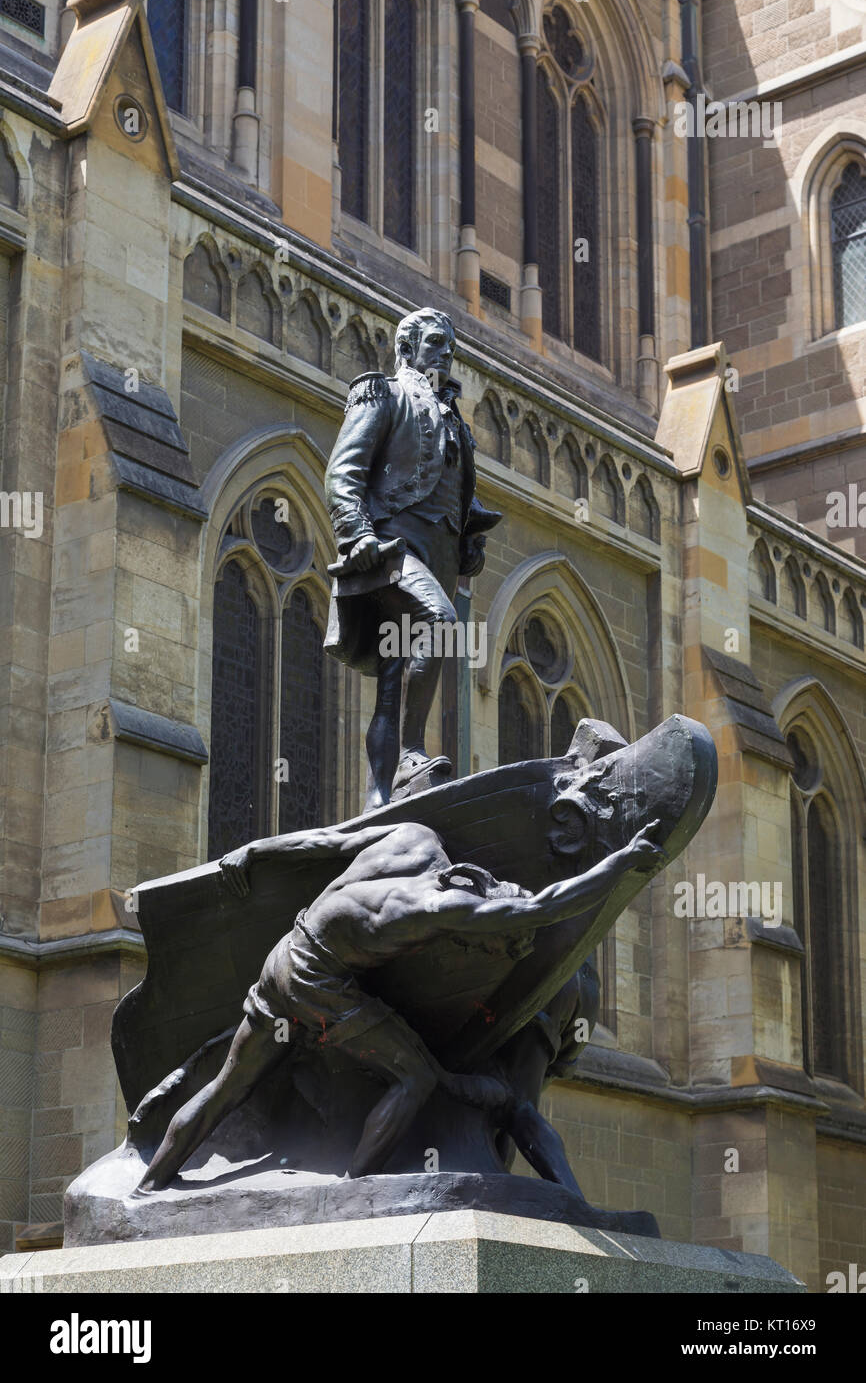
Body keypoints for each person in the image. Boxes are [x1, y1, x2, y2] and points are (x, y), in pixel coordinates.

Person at [136, 818, 664, 1193]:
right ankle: (351, 1191)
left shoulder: (416, 838)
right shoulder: (442, 908)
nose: (486, 951)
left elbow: (328, 840)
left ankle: (150, 1184)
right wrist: (622, 862)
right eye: (496, 944)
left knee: (228, 1085)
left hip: (285, 955)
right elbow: (545, 906)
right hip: (317, 981)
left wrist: (257, 850)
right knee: (416, 1077)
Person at [324, 307, 500, 809]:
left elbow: (457, 493)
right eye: (436, 342)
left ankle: (379, 798)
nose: (446, 354)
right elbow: (343, 472)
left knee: (393, 675)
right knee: (441, 624)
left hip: (438, 556)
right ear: (406, 348)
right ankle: (410, 755)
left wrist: (470, 536)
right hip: (392, 551)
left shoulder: (455, 420)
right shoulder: (383, 394)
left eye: (451, 347)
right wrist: (356, 533)